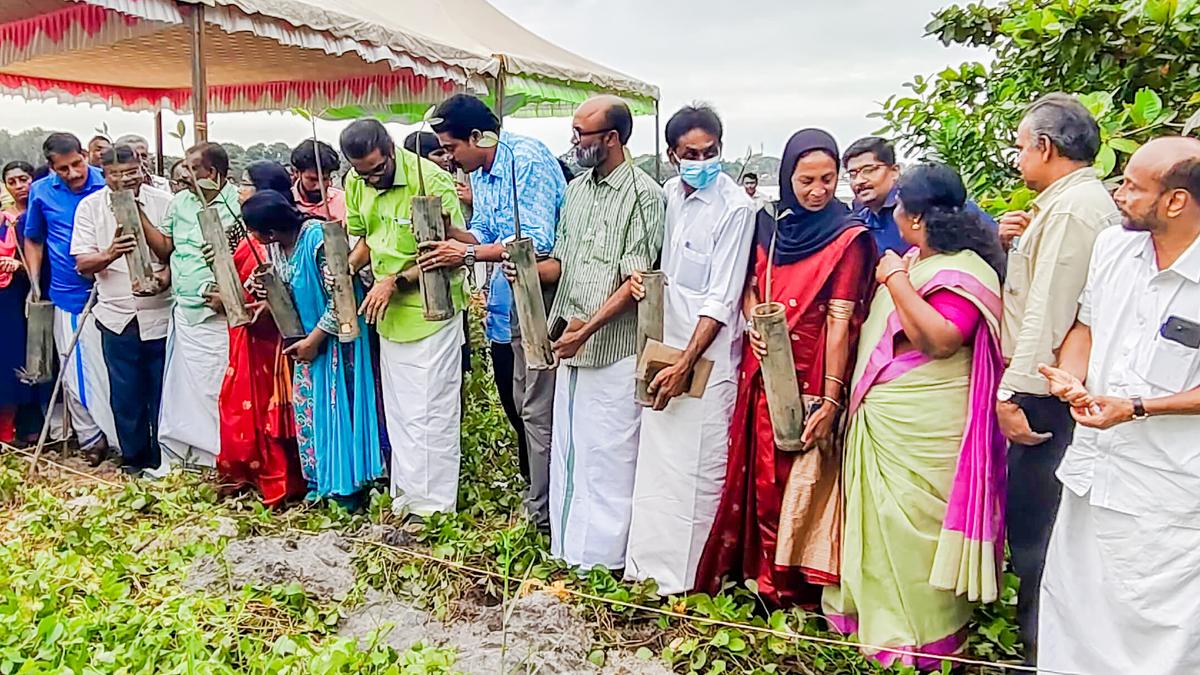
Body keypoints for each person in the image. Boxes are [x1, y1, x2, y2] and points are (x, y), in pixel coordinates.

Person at [823, 163, 1008, 668]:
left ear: (918, 217)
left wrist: (896, 281)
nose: (895, 214)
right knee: (880, 523)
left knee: (911, 529)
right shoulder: (916, 259)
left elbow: (943, 340)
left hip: (925, 423)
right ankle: (875, 621)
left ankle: (925, 639)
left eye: (900, 205)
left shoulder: (964, 271)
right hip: (888, 418)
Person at [1035, 137, 1200, 675]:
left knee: (1162, 636)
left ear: (1175, 201)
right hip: (1094, 470)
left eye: (1132, 185)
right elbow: (1086, 326)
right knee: (1075, 613)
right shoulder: (1113, 246)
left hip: (1169, 489)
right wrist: (1072, 377)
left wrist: (1136, 407)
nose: (1118, 192)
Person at [696, 129, 875, 607]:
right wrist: (754, 313)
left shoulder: (849, 237)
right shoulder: (769, 223)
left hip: (814, 371)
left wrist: (832, 399)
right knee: (759, 472)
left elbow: (841, 322)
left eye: (828, 179)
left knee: (799, 478)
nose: (818, 191)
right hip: (766, 365)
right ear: (787, 176)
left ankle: (790, 590)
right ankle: (755, 574)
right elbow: (750, 284)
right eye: (806, 180)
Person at [994, 93, 1119, 661]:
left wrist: (1012, 393)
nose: (1019, 160)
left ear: (1044, 147)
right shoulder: (1066, 205)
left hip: (1044, 392)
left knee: (1037, 532)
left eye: (1021, 147)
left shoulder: (1073, 210)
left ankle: (1039, 652)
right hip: (1053, 385)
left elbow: (1049, 310)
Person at [522, 95, 665, 570]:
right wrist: (523, 269)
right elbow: (560, 264)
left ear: (612, 138)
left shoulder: (645, 197)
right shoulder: (578, 190)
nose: (574, 140)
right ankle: (569, 551)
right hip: (571, 344)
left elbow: (636, 281)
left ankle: (604, 561)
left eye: (582, 133)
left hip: (612, 348)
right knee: (571, 449)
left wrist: (589, 330)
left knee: (609, 455)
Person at [623, 105, 756, 594]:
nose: (702, 160)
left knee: (699, 466)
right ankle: (646, 567)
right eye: (691, 154)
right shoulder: (668, 196)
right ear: (672, 155)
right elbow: (662, 270)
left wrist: (686, 363)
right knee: (658, 462)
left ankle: (691, 578)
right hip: (666, 347)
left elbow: (721, 299)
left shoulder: (736, 209)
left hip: (708, 356)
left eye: (710, 152)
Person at [424, 93, 567, 531]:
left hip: (543, 295)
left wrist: (466, 257)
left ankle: (545, 510)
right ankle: (537, 493)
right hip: (508, 301)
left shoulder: (526, 160)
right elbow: (485, 230)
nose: (449, 158)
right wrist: (453, 234)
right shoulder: (482, 174)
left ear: (477, 136)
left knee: (539, 408)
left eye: (451, 148)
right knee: (522, 404)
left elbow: (536, 242)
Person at [339, 118, 466, 516]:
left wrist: (395, 280)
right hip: (389, 316)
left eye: (377, 169)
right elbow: (367, 240)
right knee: (402, 414)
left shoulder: (430, 179)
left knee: (431, 413)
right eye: (362, 172)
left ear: (390, 150)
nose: (371, 179)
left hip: (432, 313)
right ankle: (408, 499)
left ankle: (434, 510)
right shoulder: (357, 183)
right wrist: (344, 266)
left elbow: (449, 252)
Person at [242, 190, 383, 502]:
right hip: (305, 338)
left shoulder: (318, 240)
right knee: (312, 410)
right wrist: (264, 290)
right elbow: (286, 285)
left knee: (338, 406)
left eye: (255, 232)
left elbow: (342, 297)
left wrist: (314, 340)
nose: (253, 237)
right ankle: (323, 483)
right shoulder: (277, 248)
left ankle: (348, 488)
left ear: (271, 231)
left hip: (335, 338)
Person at [71, 144, 173, 474]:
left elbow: (177, 255)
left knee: (162, 391)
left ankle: (164, 458)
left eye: (131, 173)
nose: (124, 180)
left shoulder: (163, 202)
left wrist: (163, 277)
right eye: (115, 175)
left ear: (142, 167)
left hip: (161, 313)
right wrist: (111, 252)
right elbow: (83, 263)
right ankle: (133, 459)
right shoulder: (90, 208)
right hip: (117, 316)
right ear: (104, 174)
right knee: (126, 394)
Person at [141, 141, 242, 471]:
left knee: (217, 387)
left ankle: (221, 458)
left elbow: (247, 262)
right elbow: (165, 249)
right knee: (183, 391)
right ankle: (186, 459)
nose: (183, 174)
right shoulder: (181, 202)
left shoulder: (238, 205)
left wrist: (228, 296)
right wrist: (136, 211)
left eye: (192, 168)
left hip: (219, 317)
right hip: (184, 311)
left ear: (212, 173)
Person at [23, 132, 117, 462]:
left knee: (109, 370)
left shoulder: (108, 184)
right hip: (68, 294)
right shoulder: (41, 191)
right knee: (76, 371)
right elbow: (33, 239)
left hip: (112, 291)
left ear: (85, 155)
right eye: (64, 169)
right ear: (52, 168)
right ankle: (92, 438)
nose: (74, 173)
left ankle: (120, 437)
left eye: (77, 164)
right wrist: (35, 283)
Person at [843, 137, 997, 257]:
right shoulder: (858, 222)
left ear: (895, 170)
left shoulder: (926, 201)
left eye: (869, 170)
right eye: (853, 174)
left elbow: (988, 238)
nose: (860, 181)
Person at [0, 161, 38, 444]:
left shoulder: (41, 209)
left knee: (36, 357)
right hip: (8, 297)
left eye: (23, 179)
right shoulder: (4, 220)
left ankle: (32, 424)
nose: (18, 186)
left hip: (37, 294)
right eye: (11, 182)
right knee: (10, 357)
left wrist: (22, 266)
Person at [291, 139, 347, 223]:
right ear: (297, 173)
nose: (319, 186)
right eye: (312, 179)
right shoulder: (287, 201)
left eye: (324, 179)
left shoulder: (343, 201)